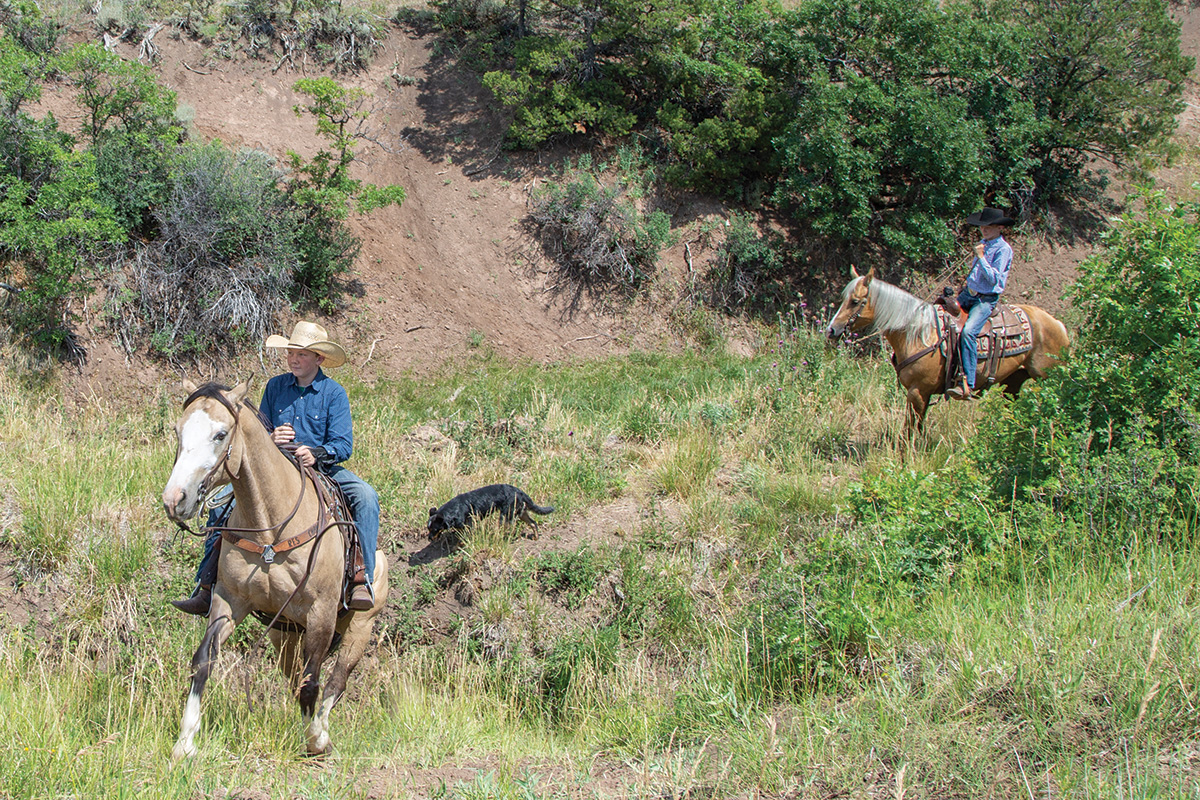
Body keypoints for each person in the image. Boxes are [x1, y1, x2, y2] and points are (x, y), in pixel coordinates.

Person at [171, 321, 380, 614]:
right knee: (220, 503)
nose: (294, 359)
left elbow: (343, 445)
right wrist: (271, 438)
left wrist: (317, 453)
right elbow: (257, 436)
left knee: (366, 497)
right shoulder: (275, 386)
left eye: (302, 355)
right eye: (291, 353)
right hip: (275, 470)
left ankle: (361, 576)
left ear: (318, 359)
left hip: (320, 468)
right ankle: (207, 583)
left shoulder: (334, 394)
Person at [946, 207, 1014, 400]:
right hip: (969, 294)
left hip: (985, 299)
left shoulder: (1003, 249)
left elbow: (994, 279)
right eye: (982, 226)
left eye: (989, 226)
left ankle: (968, 382)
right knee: (941, 314)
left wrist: (982, 258)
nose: (984, 230)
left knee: (969, 332)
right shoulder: (983, 243)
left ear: (1000, 227)